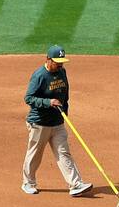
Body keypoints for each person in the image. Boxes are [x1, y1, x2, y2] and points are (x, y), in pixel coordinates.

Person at [21, 46, 92, 197]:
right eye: (57, 62)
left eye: (62, 62)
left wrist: (64, 113)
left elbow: (65, 94)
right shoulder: (39, 75)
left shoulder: (62, 72)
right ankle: (28, 183)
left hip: (57, 122)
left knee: (64, 153)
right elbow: (29, 98)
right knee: (35, 155)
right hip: (39, 123)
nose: (60, 65)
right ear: (48, 59)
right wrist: (48, 102)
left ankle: (75, 184)